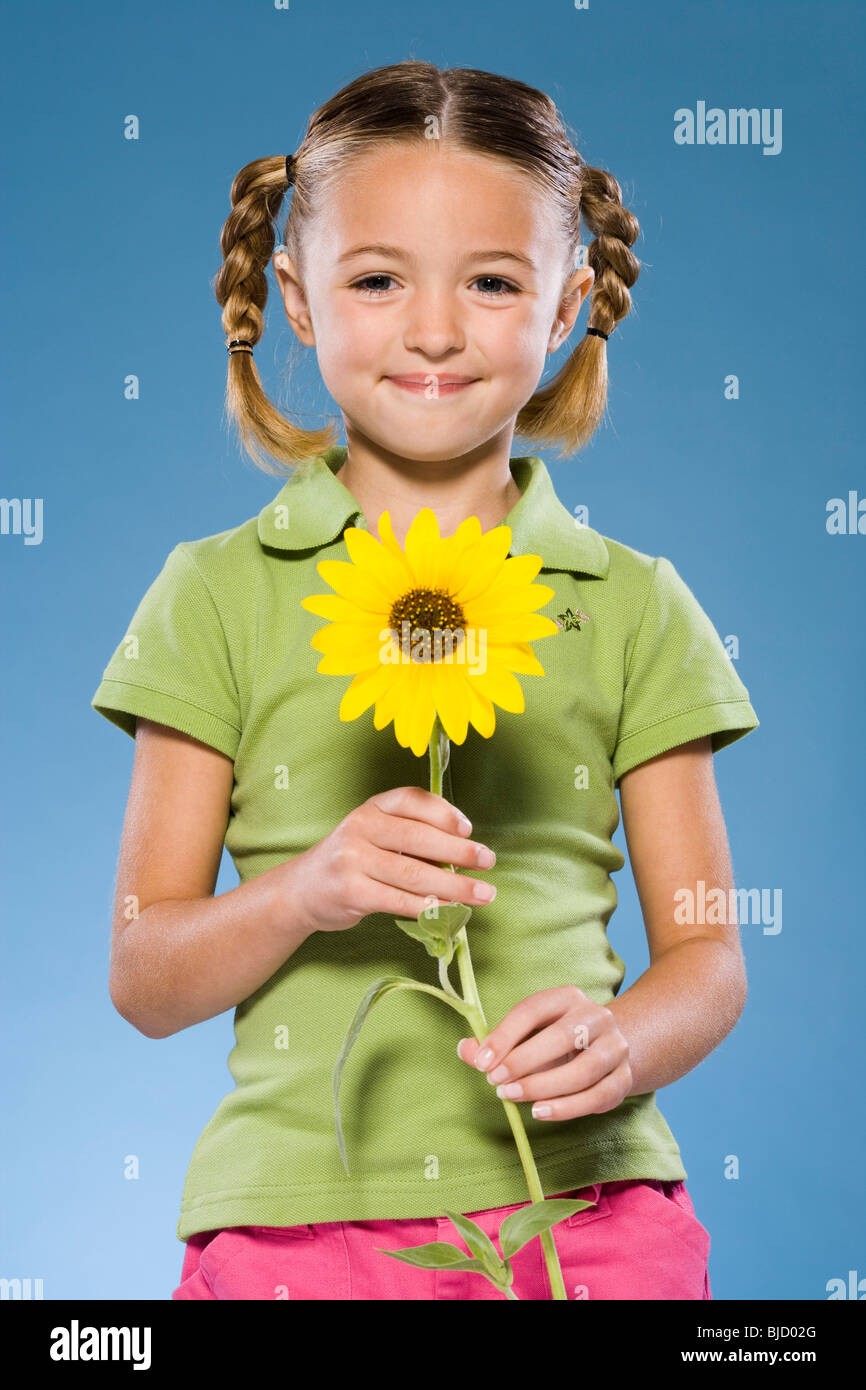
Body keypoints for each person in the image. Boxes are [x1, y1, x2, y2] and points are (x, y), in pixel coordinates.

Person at [91, 59, 759, 1301]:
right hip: (298, 1225)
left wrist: (619, 1040)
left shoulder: (631, 602)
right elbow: (144, 973)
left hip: (588, 1209)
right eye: (378, 278)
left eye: (493, 282)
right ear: (295, 296)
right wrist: (308, 890)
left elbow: (708, 957)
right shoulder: (216, 593)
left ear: (566, 305)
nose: (436, 330)